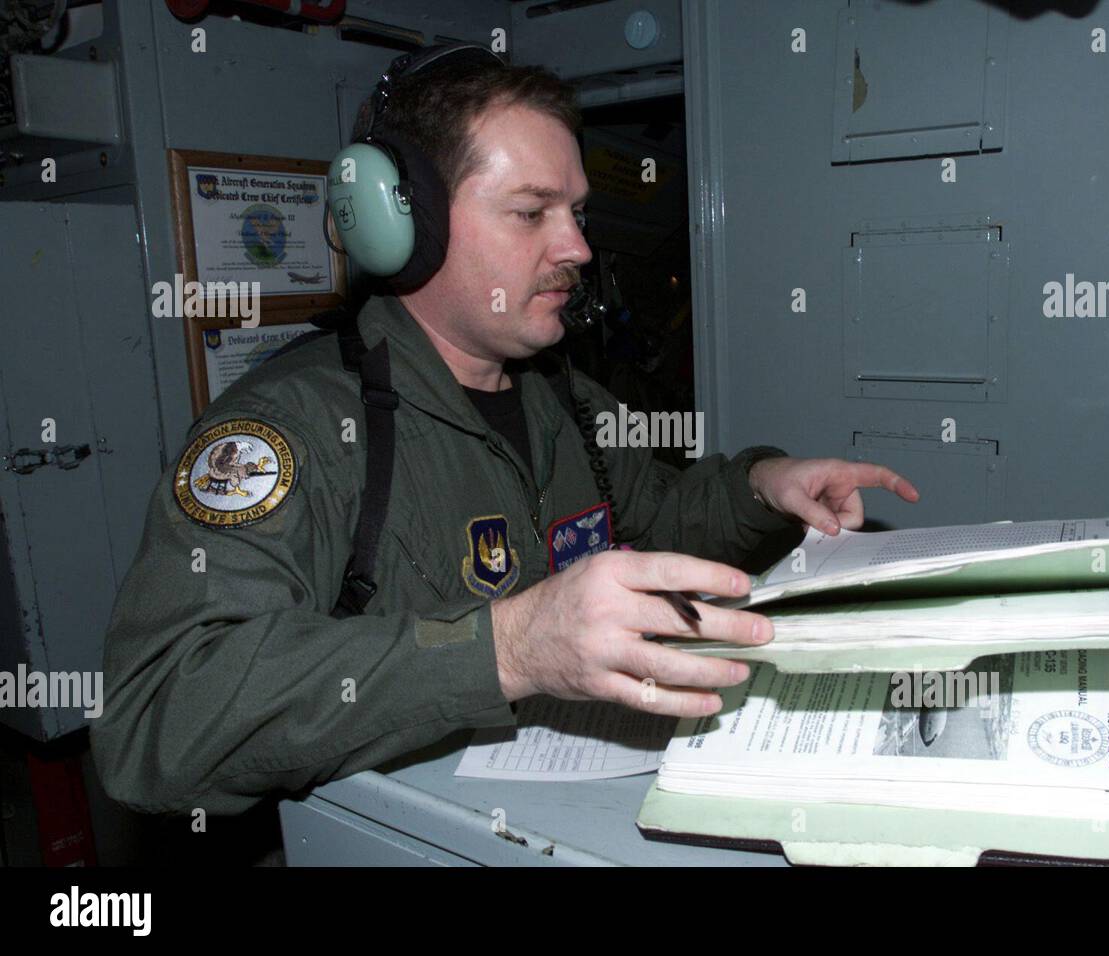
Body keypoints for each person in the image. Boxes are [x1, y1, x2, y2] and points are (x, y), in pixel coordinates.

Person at [90, 52, 918, 818]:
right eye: (532, 213)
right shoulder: (289, 432)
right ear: (400, 226)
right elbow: (155, 720)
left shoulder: (565, 399)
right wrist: (508, 649)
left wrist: (760, 488)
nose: (579, 249)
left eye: (578, 213)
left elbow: (658, 515)